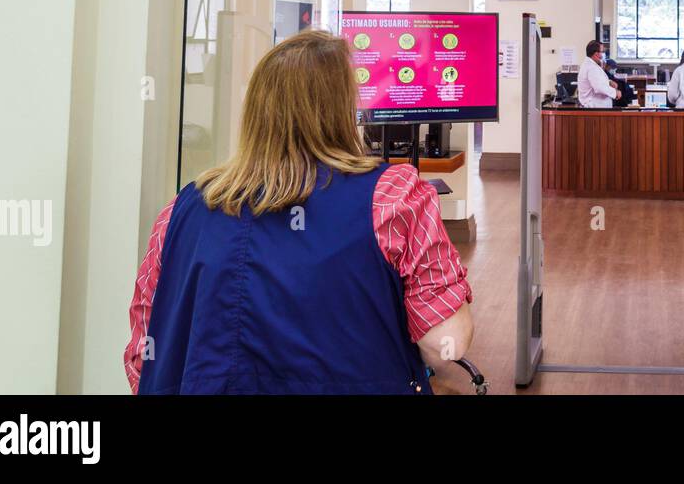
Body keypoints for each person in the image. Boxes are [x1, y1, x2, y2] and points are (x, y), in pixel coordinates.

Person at [123, 29, 474, 394]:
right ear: (342, 110)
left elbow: (142, 356)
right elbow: (444, 345)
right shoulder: (393, 198)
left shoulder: (180, 211)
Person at [577, 39, 619, 108]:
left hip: (597, 107)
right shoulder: (591, 67)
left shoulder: (591, 65)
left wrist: (609, 82)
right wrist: (615, 92)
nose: (603, 55)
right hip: (595, 108)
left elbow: (596, 81)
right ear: (596, 54)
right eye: (602, 52)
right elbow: (599, 87)